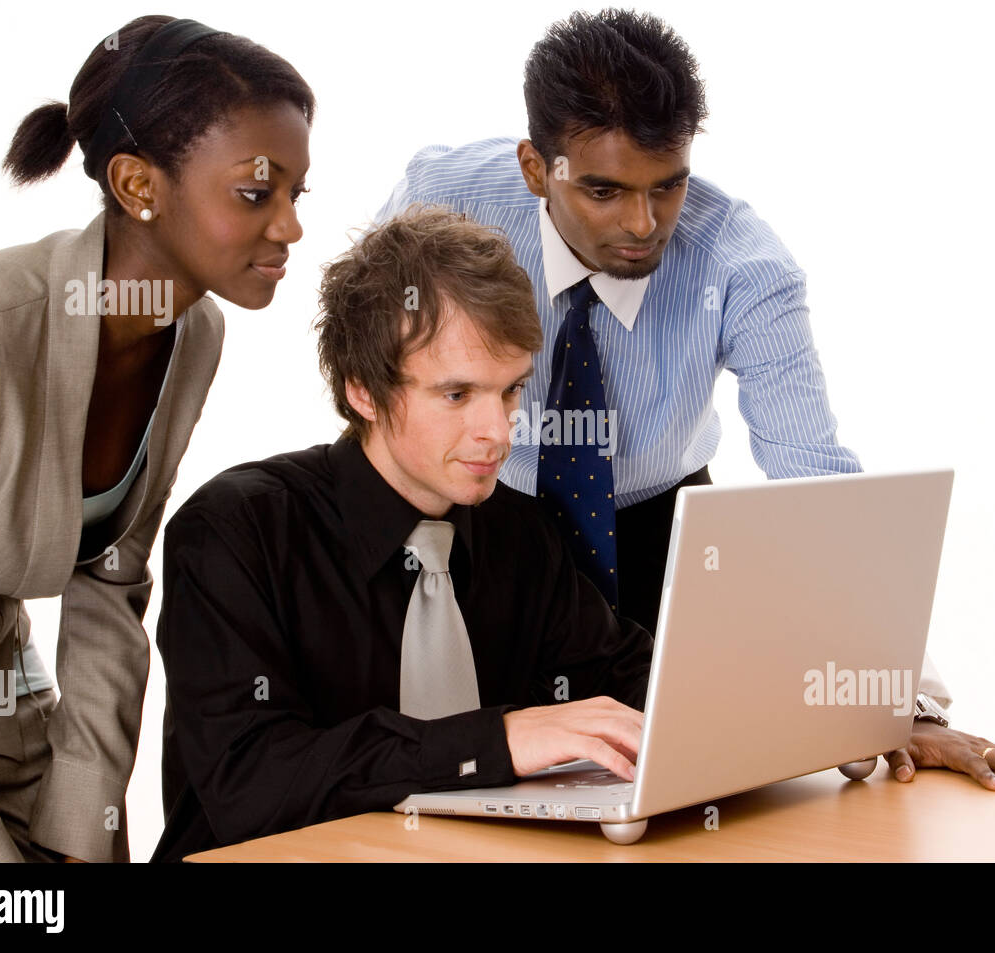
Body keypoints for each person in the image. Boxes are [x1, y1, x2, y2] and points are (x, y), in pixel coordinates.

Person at [375, 9, 995, 792]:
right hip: (477, 521)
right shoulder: (440, 199)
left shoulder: (741, 264)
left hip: (647, 531)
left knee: (672, 785)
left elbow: (818, 484)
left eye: (667, 186)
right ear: (538, 169)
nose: (642, 225)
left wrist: (893, 701)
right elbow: (377, 378)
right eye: (604, 190)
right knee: (463, 780)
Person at [0, 15, 313, 862]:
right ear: (138, 184)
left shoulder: (194, 334)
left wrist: (77, 841)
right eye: (256, 192)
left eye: (295, 196)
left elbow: (111, 589)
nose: (289, 227)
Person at [151, 206, 652, 862]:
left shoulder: (521, 533)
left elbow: (631, 681)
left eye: (508, 393)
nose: (499, 432)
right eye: (456, 395)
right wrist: (499, 739)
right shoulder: (235, 532)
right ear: (363, 389)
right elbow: (254, 780)